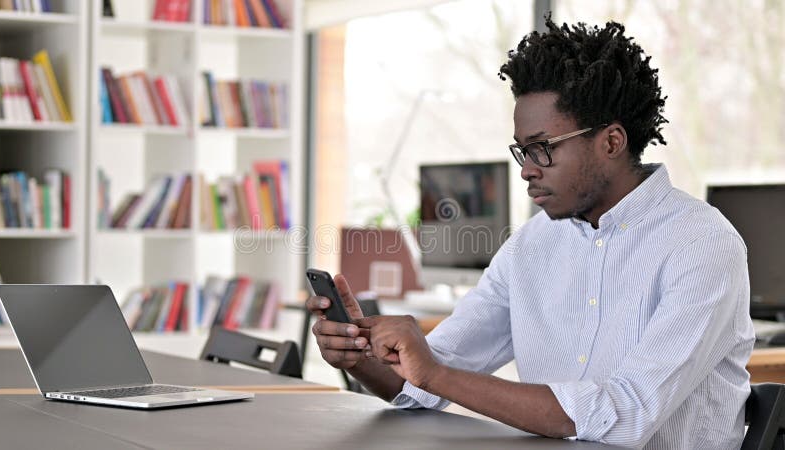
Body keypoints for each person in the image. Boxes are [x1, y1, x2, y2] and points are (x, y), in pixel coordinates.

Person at [306, 17, 754, 449]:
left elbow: (627, 413)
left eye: (542, 149)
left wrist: (434, 374)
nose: (526, 170)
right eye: (523, 151)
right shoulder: (531, 246)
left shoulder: (702, 245)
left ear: (612, 142)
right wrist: (359, 355)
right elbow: (421, 377)